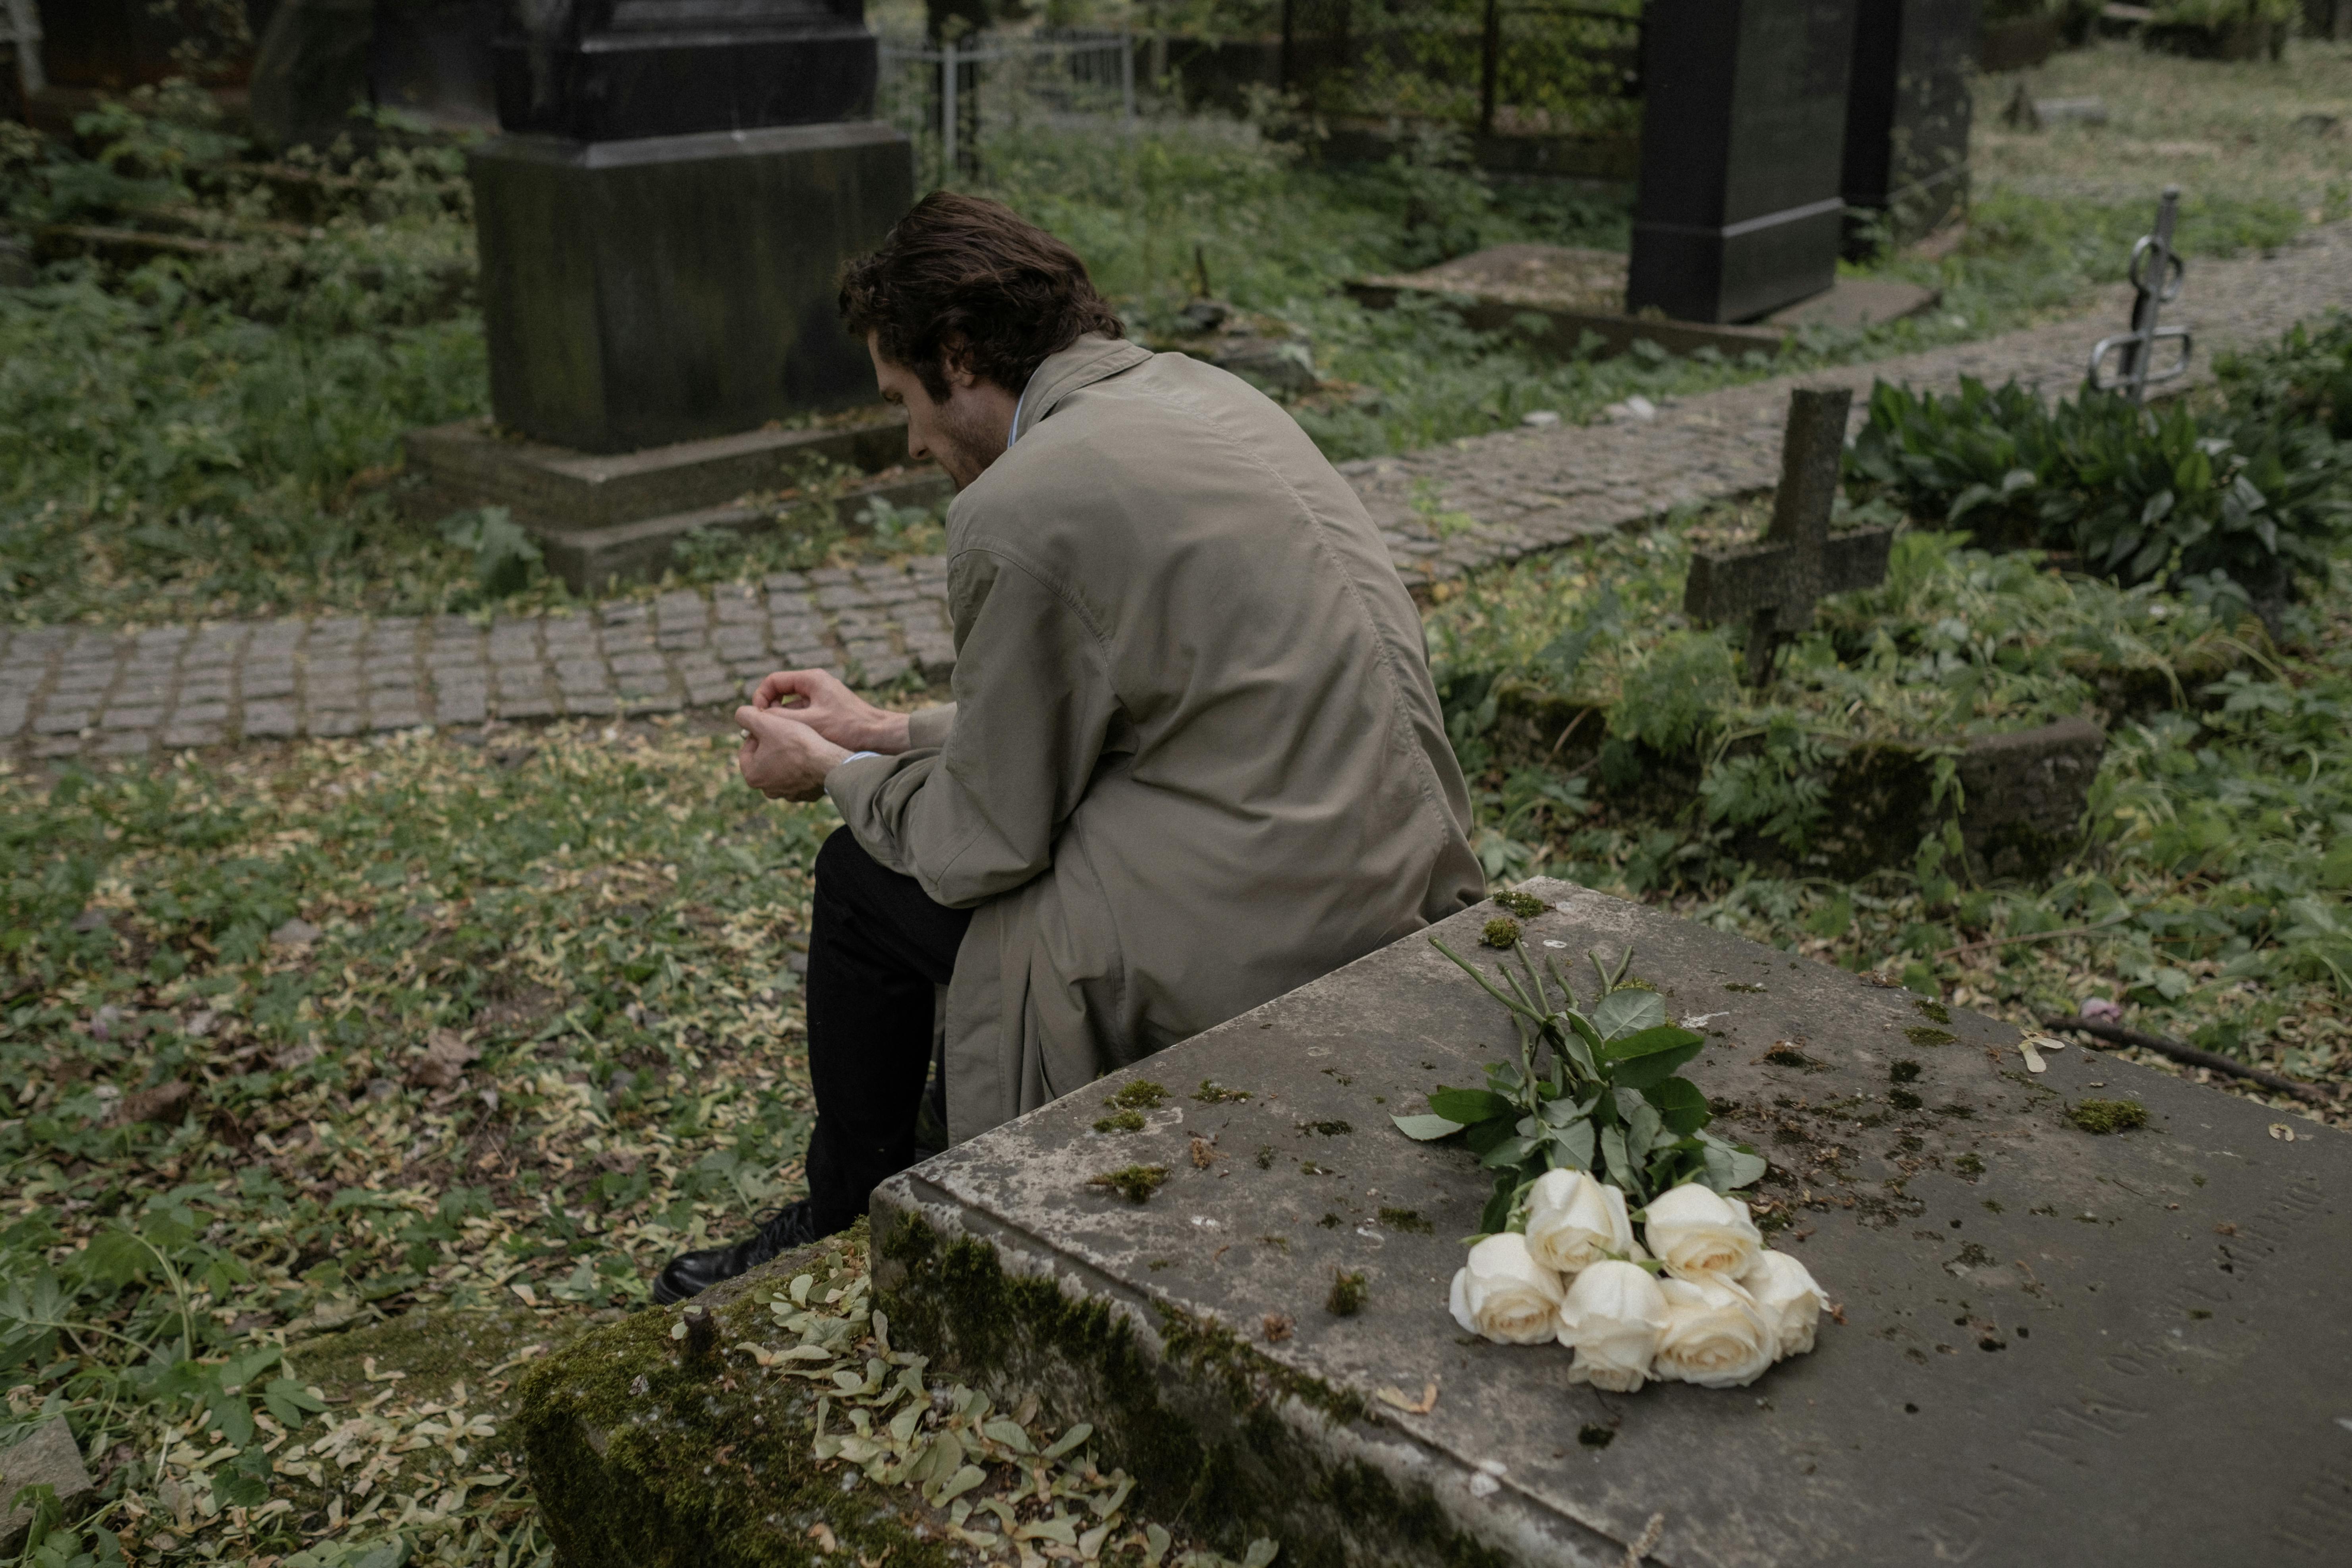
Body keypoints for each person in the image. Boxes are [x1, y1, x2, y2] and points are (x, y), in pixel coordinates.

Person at [651, 193, 1482, 1303]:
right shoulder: (1200, 392)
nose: (909, 440)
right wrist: (885, 729)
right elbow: (1147, 702)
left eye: (902, 398)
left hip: (1270, 927)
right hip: (1388, 867)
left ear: (956, 357)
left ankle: (849, 1211)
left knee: (860, 876)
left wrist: (832, 775)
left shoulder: (1018, 501)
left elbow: (982, 840)